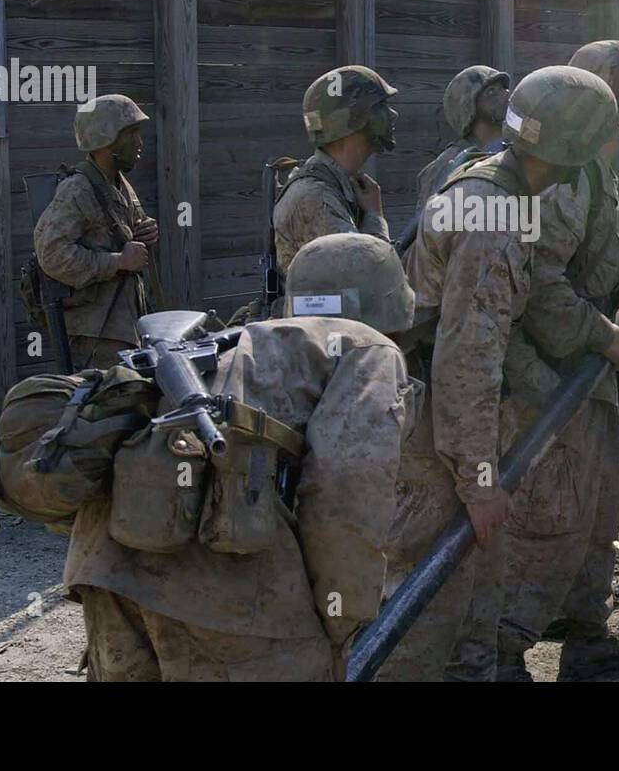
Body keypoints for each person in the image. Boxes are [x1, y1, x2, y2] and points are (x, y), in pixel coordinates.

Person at [68, 232, 421, 681]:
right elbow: (348, 489)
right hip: (220, 594)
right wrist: (341, 618)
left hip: (109, 565)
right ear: (391, 302)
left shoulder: (233, 339)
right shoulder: (369, 350)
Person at [380, 65, 619, 681]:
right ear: (574, 151)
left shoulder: (496, 187)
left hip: (432, 416)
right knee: (429, 612)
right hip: (430, 431)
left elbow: (513, 306)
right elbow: (468, 355)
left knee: (475, 604)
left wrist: (596, 331)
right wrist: (478, 479)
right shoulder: (494, 219)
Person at [485, 41, 619, 682]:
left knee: (595, 513)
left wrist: (618, 289)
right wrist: (602, 333)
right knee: (545, 522)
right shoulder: (571, 173)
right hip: (550, 382)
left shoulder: (594, 167)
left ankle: (586, 637)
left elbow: (573, 273)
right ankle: (502, 655)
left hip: (585, 380)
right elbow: (539, 284)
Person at [33, 94, 158, 369]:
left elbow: (122, 233)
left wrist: (146, 232)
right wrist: (118, 262)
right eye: (131, 133)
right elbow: (52, 254)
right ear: (105, 140)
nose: (139, 142)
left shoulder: (117, 183)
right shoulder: (77, 189)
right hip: (97, 334)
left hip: (124, 325)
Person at [274, 65, 397, 273]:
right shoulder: (314, 198)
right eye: (381, 105)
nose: (393, 114)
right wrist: (375, 217)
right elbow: (370, 277)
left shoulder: (339, 185)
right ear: (353, 119)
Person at [415, 65, 510, 211]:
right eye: (491, 92)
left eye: (503, 89)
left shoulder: (516, 150)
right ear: (469, 106)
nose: (506, 94)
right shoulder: (448, 164)